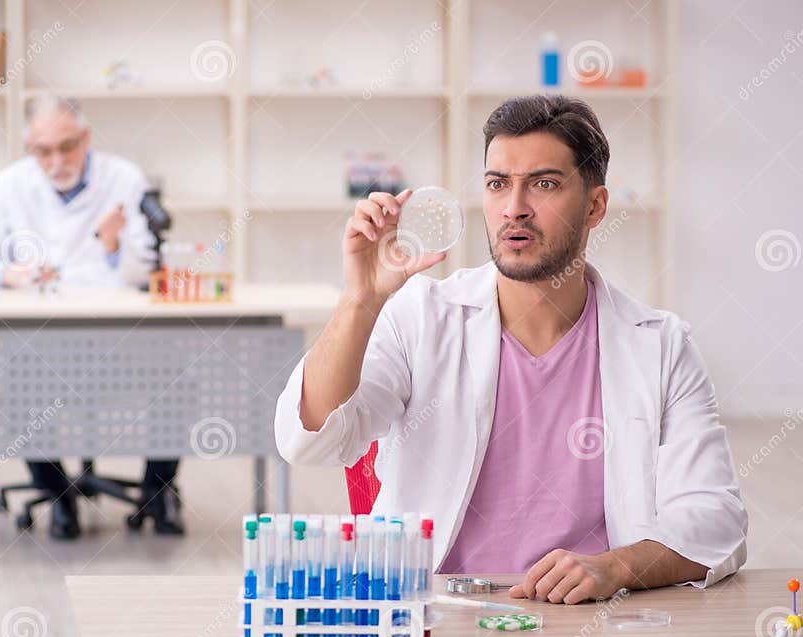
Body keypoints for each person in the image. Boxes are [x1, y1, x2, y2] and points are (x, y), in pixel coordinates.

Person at [274, 94, 747, 603]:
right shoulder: (421, 316)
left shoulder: (661, 345)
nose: (514, 207)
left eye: (544, 184)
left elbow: (717, 519)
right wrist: (360, 300)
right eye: (498, 184)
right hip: (440, 615)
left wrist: (617, 567)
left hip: (587, 619)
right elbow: (310, 441)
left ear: (595, 206)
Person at [0, 94, 183, 540]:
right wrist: (10, 275)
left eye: (68, 146)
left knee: (178, 379)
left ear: (86, 138)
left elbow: (147, 272)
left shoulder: (125, 178)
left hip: (121, 342)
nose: (58, 160)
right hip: (42, 346)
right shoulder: (8, 186)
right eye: (44, 151)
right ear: (29, 149)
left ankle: (157, 494)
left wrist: (114, 244)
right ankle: (57, 495)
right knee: (19, 388)